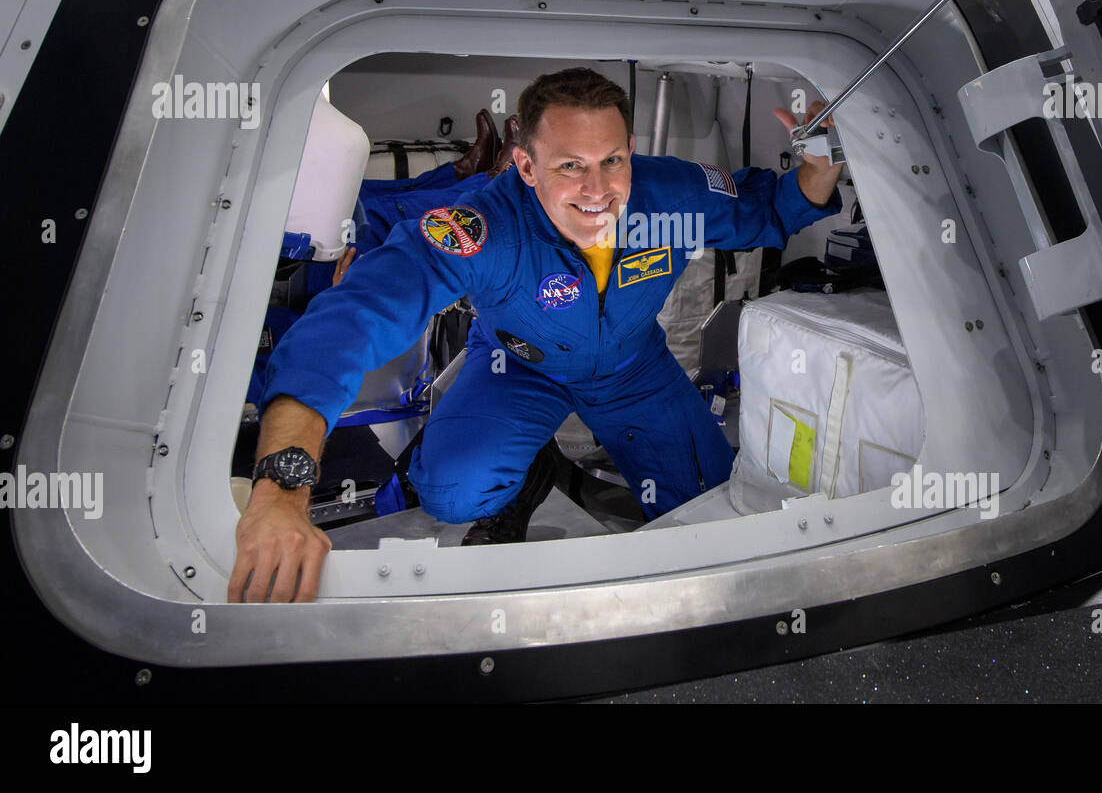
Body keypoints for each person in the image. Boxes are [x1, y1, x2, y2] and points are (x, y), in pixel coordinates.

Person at [228, 67, 843, 603]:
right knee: (453, 491)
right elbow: (350, 321)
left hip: (633, 368)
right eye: (570, 166)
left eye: (612, 161)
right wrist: (283, 490)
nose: (598, 190)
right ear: (525, 165)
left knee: (710, 508)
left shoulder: (671, 192)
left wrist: (818, 167)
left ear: (630, 150)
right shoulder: (479, 226)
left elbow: (772, 209)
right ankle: (527, 466)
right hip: (519, 367)